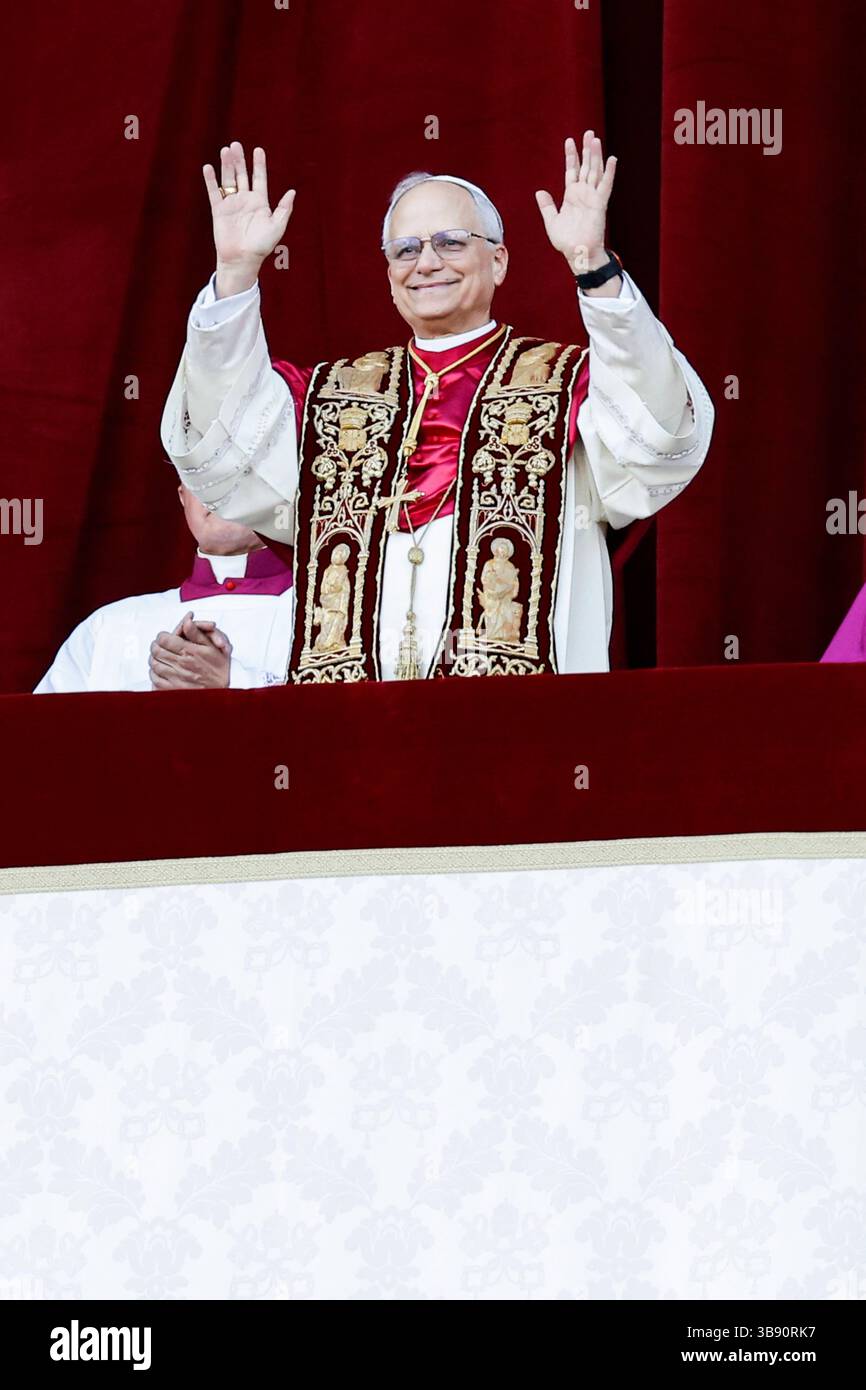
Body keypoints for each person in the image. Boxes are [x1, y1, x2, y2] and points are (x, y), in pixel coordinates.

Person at [161, 131, 714, 682]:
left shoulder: (567, 385)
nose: (426, 263)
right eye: (406, 249)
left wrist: (593, 267)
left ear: (498, 261)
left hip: (516, 734)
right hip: (355, 737)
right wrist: (235, 276)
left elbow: (661, 433)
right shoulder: (331, 398)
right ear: (389, 276)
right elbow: (222, 450)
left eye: (451, 242)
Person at [34, 484, 292, 693]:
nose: (222, 487)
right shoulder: (106, 627)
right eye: (202, 471)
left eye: (244, 470)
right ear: (183, 496)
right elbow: (44, 744)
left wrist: (234, 681)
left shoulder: (322, 621)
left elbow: (326, 734)